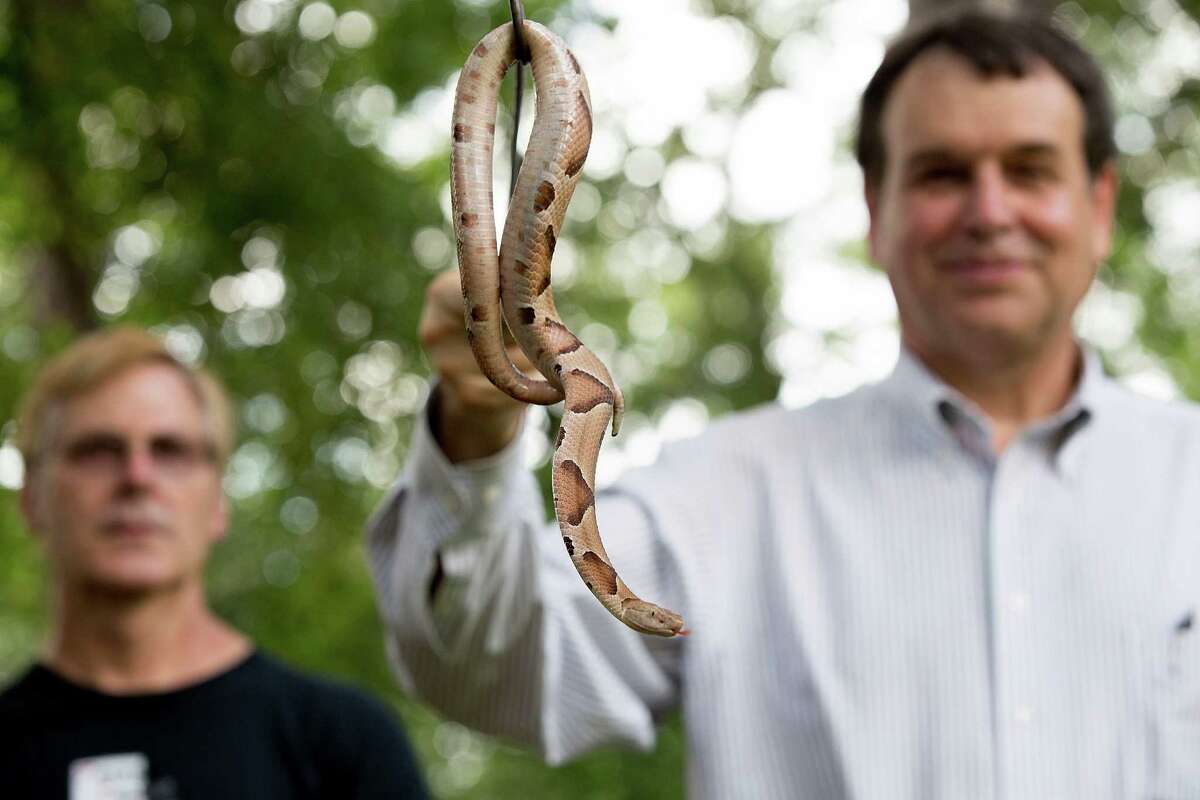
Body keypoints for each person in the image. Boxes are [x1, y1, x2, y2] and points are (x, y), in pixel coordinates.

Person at [365, 9, 1200, 799]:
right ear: (877, 211)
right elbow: (490, 670)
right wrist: (478, 430)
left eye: (1029, 169)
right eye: (943, 172)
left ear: (1099, 207)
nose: (989, 212)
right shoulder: (726, 490)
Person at [0, 326, 429, 800]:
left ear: (218, 502)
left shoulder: (343, 745)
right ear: (32, 498)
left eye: (171, 451)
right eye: (98, 450)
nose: (137, 477)